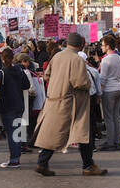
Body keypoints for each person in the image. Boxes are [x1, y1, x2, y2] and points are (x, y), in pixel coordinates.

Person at [32, 32, 106, 177]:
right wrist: (88, 83)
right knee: (84, 132)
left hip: (53, 100)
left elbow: (47, 75)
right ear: (80, 45)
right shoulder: (76, 60)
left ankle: (42, 162)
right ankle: (88, 165)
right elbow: (80, 82)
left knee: (53, 133)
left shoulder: (57, 56)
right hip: (72, 102)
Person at [0, 48, 30, 168]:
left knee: (11, 133)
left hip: (7, 106)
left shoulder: (2, 72)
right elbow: (27, 85)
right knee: (17, 132)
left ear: (2, 58)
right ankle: (16, 158)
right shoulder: (19, 70)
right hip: (19, 104)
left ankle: (14, 159)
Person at [98, 38, 120, 150]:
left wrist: (99, 93)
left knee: (108, 117)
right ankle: (117, 140)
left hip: (109, 89)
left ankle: (110, 142)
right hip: (119, 88)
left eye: (103, 45)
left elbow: (103, 78)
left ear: (108, 46)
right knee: (116, 116)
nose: (102, 47)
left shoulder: (106, 60)